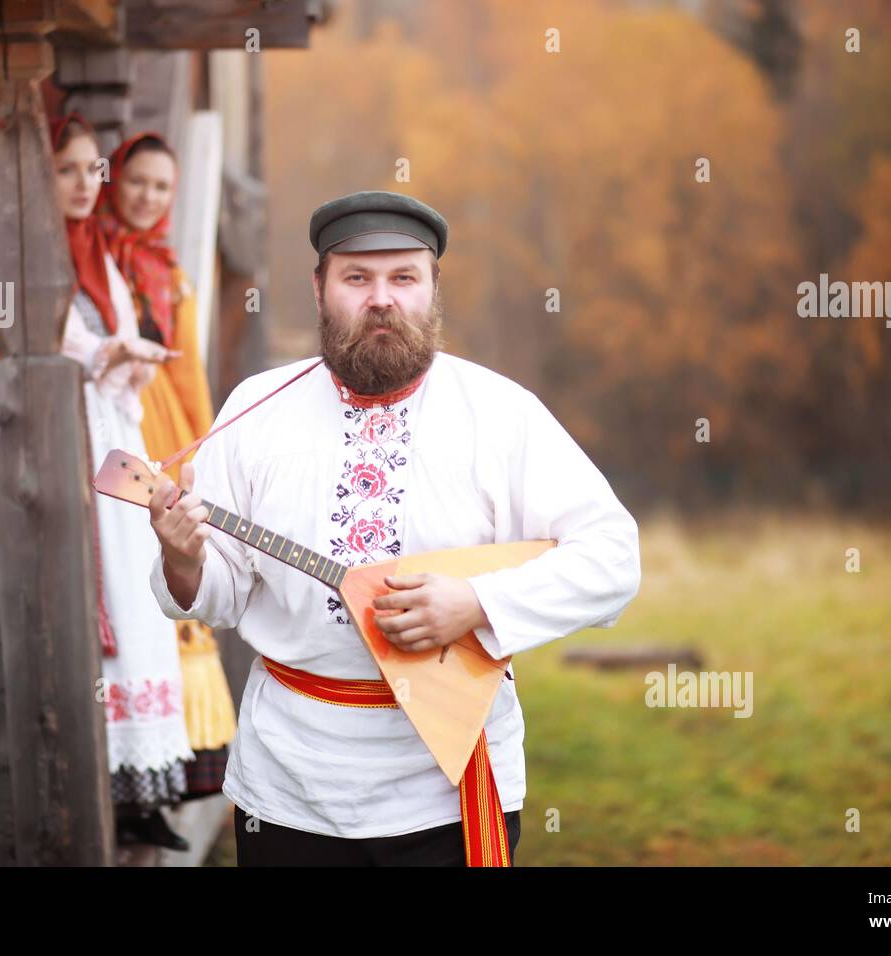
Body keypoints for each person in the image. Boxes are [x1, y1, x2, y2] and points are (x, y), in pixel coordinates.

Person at [145, 190, 641, 866]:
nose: (382, 298)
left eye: (404, 277)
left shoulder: (501, 414)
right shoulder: (255, 411)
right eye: (357, 278)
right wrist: (182, 559)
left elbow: (613, 558)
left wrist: (477, 604)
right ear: (320, 289)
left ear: (433, 288)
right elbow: (222, 590)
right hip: (290, 787)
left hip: (449, 782)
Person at [0, 114, 196, 850]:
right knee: (85, 597)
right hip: (54, 447)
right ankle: (90, 775)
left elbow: (111, 363)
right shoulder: (16, 252)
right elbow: (21, 341)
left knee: (135, 585)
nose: (88, 185)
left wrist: (126, 362)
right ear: (33, 176)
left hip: (111, 443)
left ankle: (140, 784)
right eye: (68, 170)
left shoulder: (100, 255)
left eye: (95, 170)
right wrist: (99, 357)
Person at [97, 131, 236, 803]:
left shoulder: (168, 273)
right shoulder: (89, 259)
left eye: (161, 186)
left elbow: (188, 374)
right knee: (124, 577)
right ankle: (124, 765)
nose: (148, 197)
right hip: (113, 434)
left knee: (170, 578)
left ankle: (175, 770)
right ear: (111, 180)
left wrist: (204, 448)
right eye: (137, 181)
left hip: (165, 434)